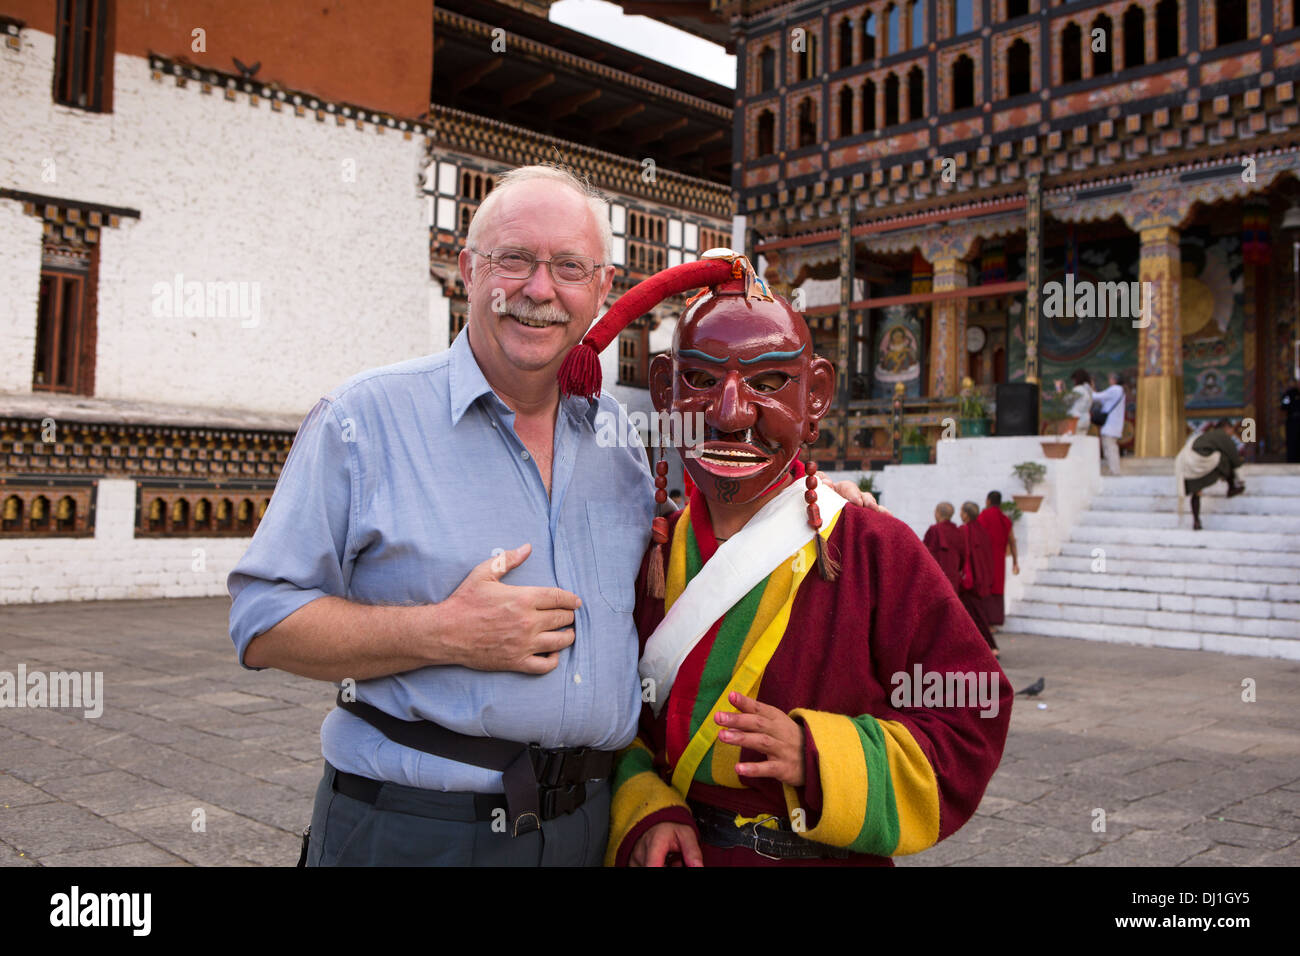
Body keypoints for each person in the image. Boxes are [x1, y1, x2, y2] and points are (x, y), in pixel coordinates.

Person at [226, 165, 876, 867]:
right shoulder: (366, 420)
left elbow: (703, 547)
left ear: (602, 289)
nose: (539, 290)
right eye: (513, 259)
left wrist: (801, 496)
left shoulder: (621, 449)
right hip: (419, 829)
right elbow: (262, 622)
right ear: (468, 268)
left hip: (587, 831)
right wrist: (443, 632)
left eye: (568, 266)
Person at [555, 251, 1010, 866]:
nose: (732, 412)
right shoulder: (650, 551)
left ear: (815, 397)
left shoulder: (873, 550)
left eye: (769, 384)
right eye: (702, 381)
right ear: (664, 393)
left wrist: (818, 753)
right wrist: (646, 804)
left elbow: (972, 705)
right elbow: (611, 717)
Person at [1174, 419, 1245, 531]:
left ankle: (1196, 521)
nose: (1232, 432)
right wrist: (1241, 480)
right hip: (1200, 461)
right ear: (1227, 428)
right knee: (1225, 459)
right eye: (1231, 430)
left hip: (1187, 463)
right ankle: (1232, 487)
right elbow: (1234, 458)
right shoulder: (1223, 436)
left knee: (1196, 492)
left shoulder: (1205, 436)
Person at [958, 502, 998, 654]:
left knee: (977, 615)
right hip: (982, 576)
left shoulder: (964, 530)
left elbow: (964, 554)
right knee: (975, 614)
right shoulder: (982, 530)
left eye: (962, 511)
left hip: (970, 580)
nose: (960, 514)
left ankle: (992, 647)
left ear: (966, 514)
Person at [977, 491, 1019, 629]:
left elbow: (974, 535)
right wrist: (1015, 562)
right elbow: (1012, 541)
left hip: (984, 560)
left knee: (985, 588)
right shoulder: (1005, 519)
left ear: (988, 501)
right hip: (999, 561)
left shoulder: (983, 516)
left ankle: (984, 623)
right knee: (997, 589)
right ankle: (992, 624)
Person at [922, 501, 963, 592]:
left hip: (937, 577)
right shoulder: (958, 531)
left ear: (937, 513)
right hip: (953, 576)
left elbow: (925, 553)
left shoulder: (934, 530)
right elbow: (963, 555)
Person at [1092, 372, 1126, 475]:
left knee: (1110, 449)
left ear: (1114, 380)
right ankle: (1114, 470)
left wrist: (1089, 390)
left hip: (1110, 426)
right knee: (1111, 448)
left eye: (1110, 378)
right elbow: (1105, 402)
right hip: (1114, 426)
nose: (1109, 380)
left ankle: (1114, 471)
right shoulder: (1120, 391)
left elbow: (1097, 397)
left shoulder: (1114, 389)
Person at [1067, 368, 1094, 435]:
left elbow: (1066, 400)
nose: (1073, 382)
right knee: (1081, 442)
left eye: (1074, 379)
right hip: (1086, 419)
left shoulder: (1078, 389)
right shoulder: (1089, 390)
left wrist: (1059, 389)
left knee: (1073, 442)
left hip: (1076, 420)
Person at [1283, 380, 1300, 463]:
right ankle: (1292, 461)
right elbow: (1284, 405)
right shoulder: (1290, 393)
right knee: (1292, 442)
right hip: (1293, 421)